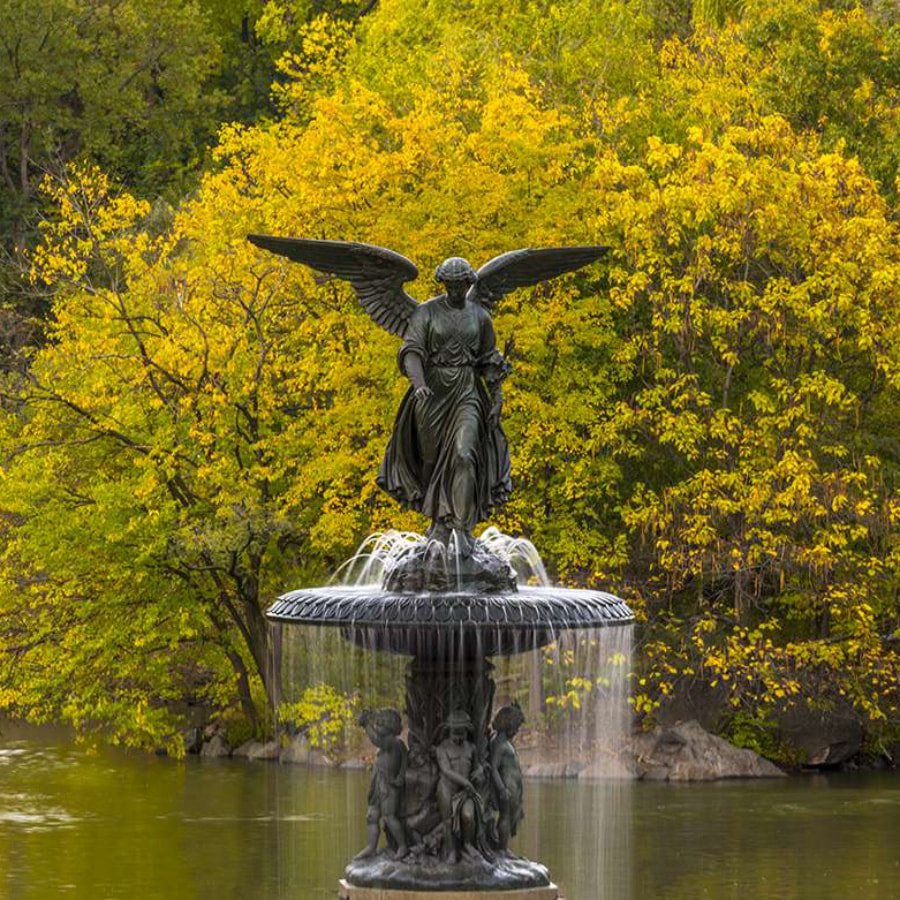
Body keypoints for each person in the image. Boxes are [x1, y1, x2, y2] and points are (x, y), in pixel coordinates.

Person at [378, 258, 512, 555]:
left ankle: (462, 529)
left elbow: (489, 359)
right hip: (432, 393)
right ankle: (439, 523)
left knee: (465, 454)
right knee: (431, 460)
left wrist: (498, 396)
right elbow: (411, 350)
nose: (453, 290)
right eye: (448, 285)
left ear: (468, 284)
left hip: (466, 390)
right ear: (443, 284)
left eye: (459, 285)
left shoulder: (480, 317)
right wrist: (419, 383)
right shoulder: (426, 312)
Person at [435, 709, 489, 861]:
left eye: (462, 733)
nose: (458, 737)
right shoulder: (442, 748)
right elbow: (445, 770)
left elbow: (477, 765)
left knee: (468, 816)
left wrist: (479, 771)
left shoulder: (471, 747)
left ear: (467, 731)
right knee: (447, 821)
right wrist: (466, 782)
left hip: (466, 792)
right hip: (447, 788)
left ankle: (467, 844)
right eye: (455, 733)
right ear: (449, 731)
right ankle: (451, 851)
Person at [355, 708, 409, 860]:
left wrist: (366, 724)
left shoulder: (394, 743)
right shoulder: (383, 746)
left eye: (381, 723)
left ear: (391, 726)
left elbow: (378, 741)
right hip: (378, 783)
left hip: (390, 786)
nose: (378, 726)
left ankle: (403, 846)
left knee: (388, 816)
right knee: (372, 815)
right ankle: (371, 847)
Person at [490, 702, 525, 852]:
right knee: (505, 817)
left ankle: (504, 848)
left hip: (514, 788)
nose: (517, 730)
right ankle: (501, 850)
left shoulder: (506, 743)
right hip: (506, 788)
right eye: (516, 726)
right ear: (508, 723)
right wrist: (502, 788)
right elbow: (493, 768)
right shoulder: (499, 743)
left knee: (510, 817)